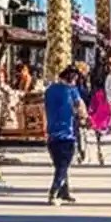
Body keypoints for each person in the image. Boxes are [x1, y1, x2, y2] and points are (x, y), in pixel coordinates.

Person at [43, 67, 86, 206]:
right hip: (67, 133)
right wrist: (84, 119)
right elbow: (81, 108)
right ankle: (53, 192)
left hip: (52, 133)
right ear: (72, 78)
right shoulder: (71, 91)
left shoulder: (49, 90)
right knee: (63, 165)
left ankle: (64, 192)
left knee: (60, 164)